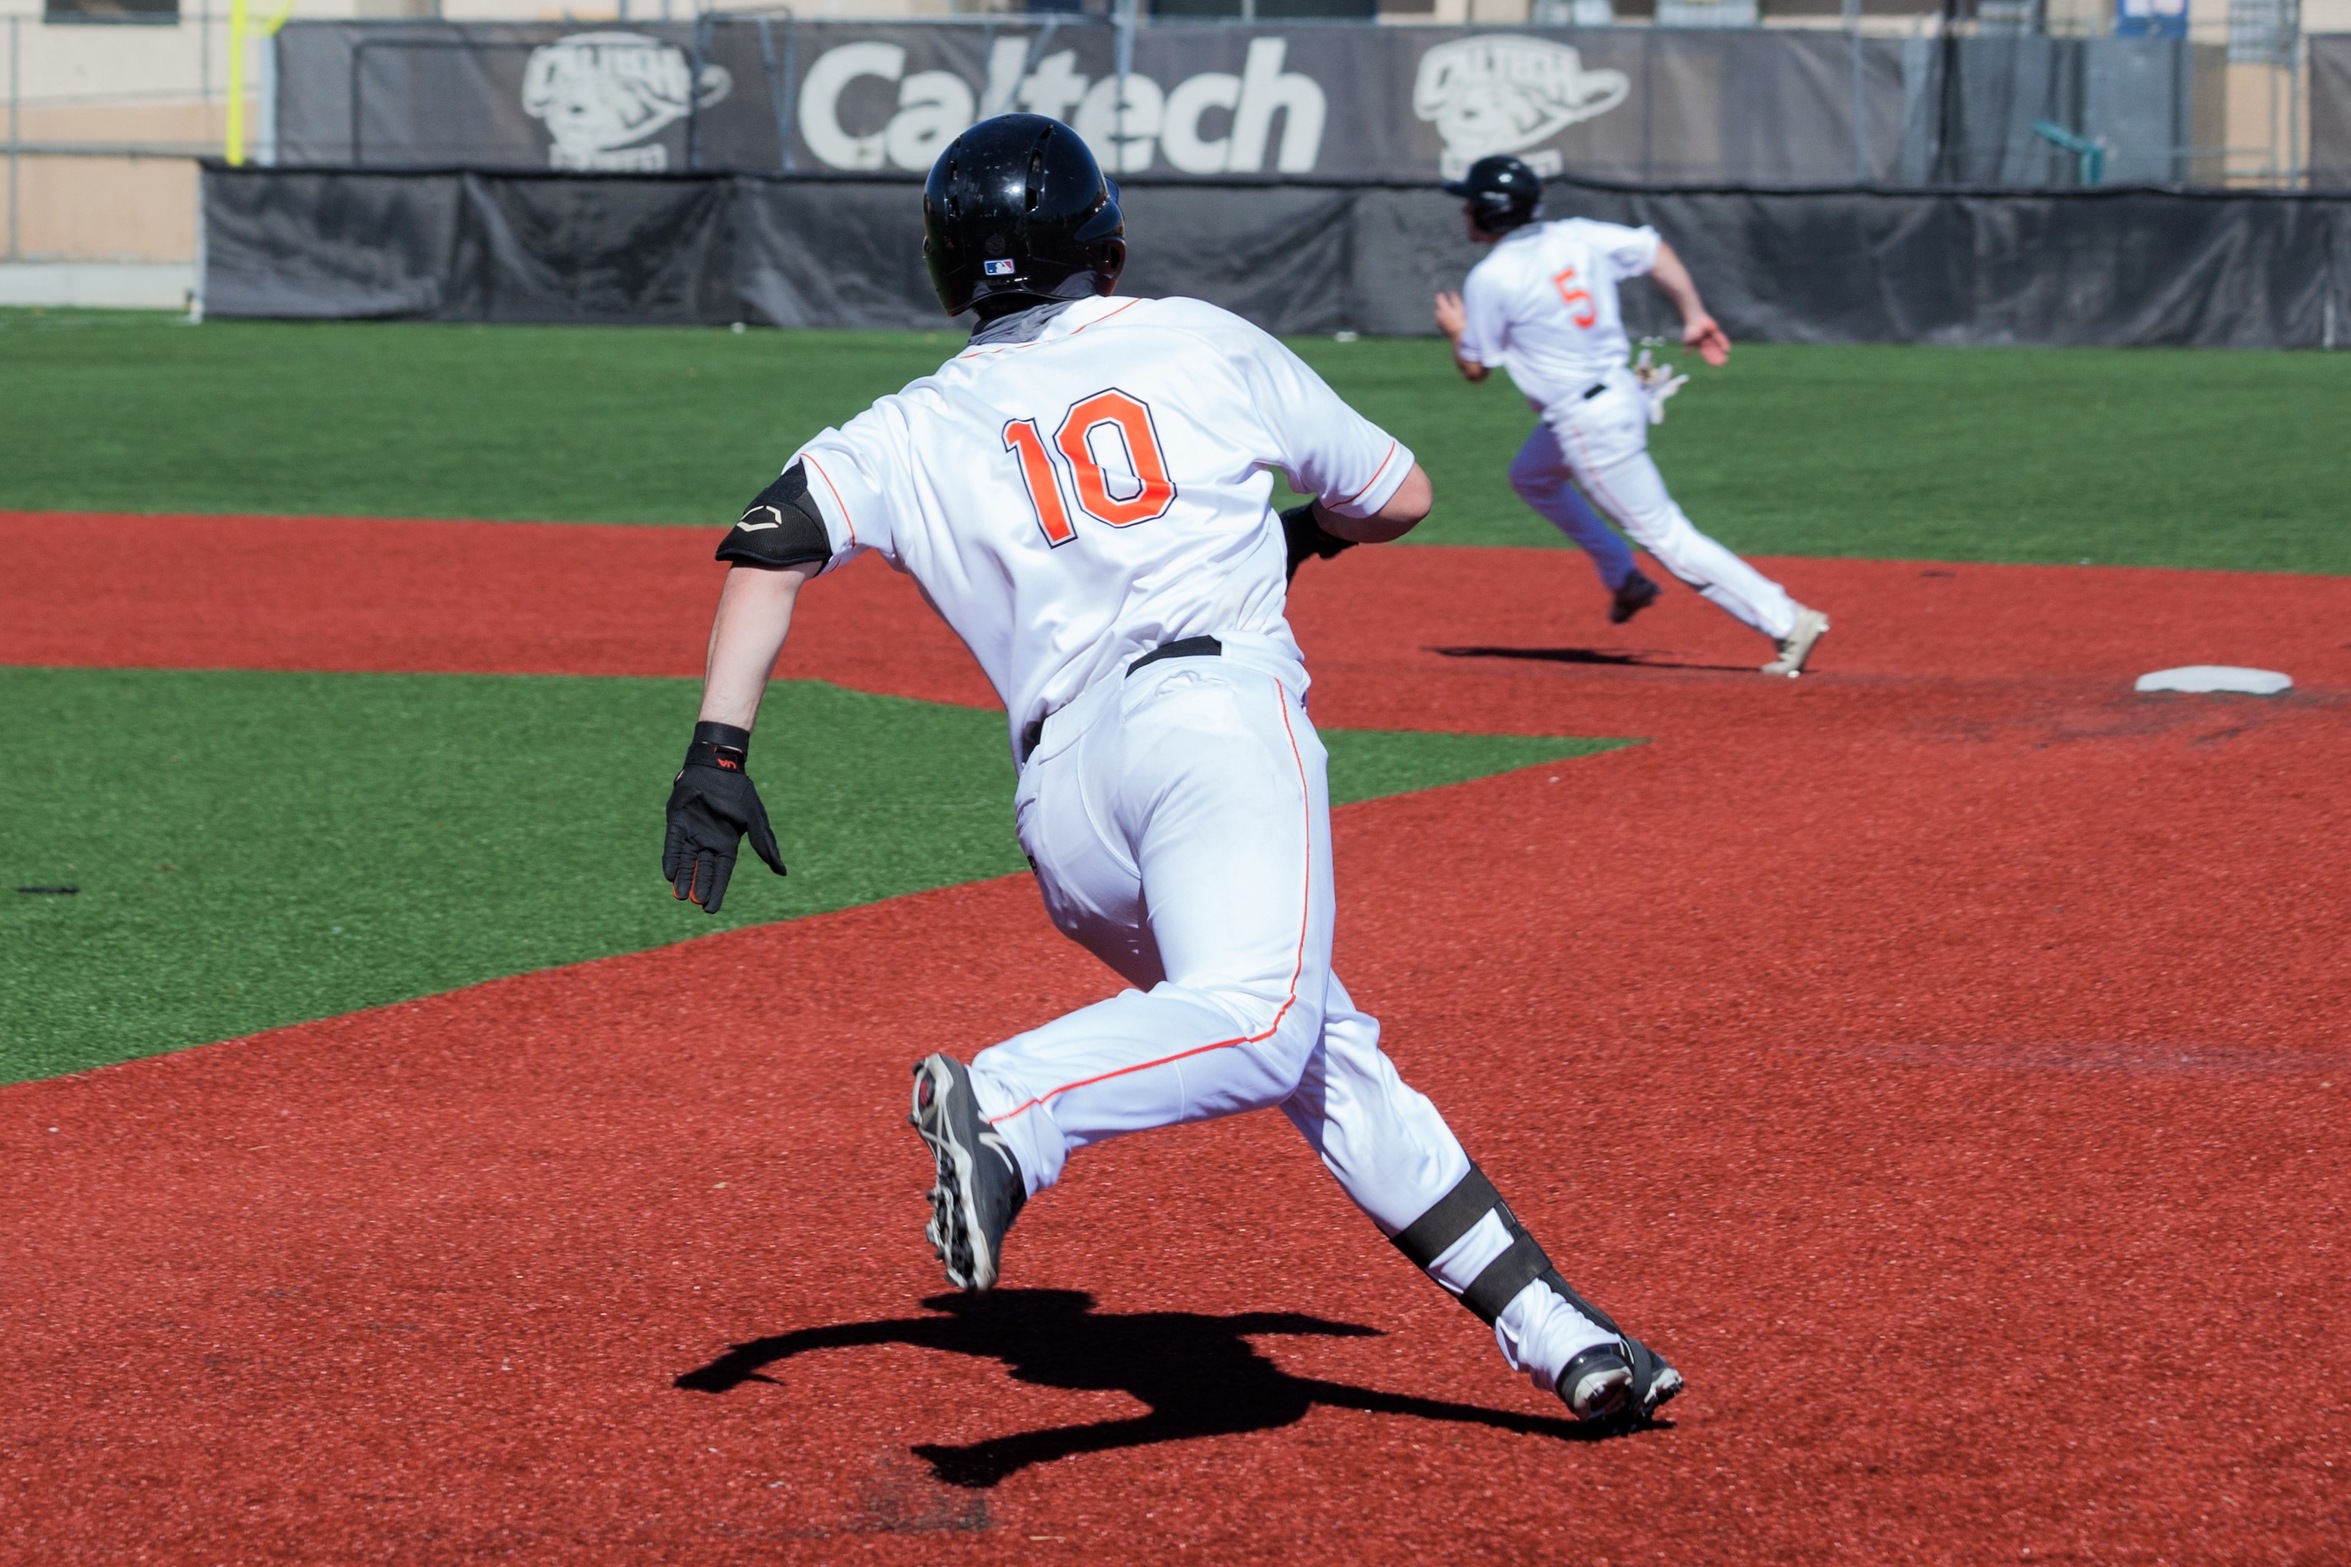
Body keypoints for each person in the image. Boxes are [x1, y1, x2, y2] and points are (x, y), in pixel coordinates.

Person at [658, 114, 1682, 1428]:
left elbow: (769, 544)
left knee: (1320, 1047)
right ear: (1107, 242)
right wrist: (1301, 534)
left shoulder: (904, 427)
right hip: (1206, 722)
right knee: (1259, 1023)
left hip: (1064, 815)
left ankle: (1552, 1331)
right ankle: (1014, 1108)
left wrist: (716, 751)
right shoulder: (1200, 338)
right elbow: (1402, 492)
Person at [1433, 155, 1830, 676]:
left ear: (1490, 211)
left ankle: (1786, 620)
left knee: (1666, 535)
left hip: (1586, 421)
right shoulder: (1578, 236)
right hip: (1620, 393)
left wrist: (1456, 330)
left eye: (1469, 203)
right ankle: (1622, 576)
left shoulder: (1493, 277)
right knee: (1532, 476)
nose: (1463, 211)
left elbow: (1476, 368)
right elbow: (1654, 251)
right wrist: (1693, 313)